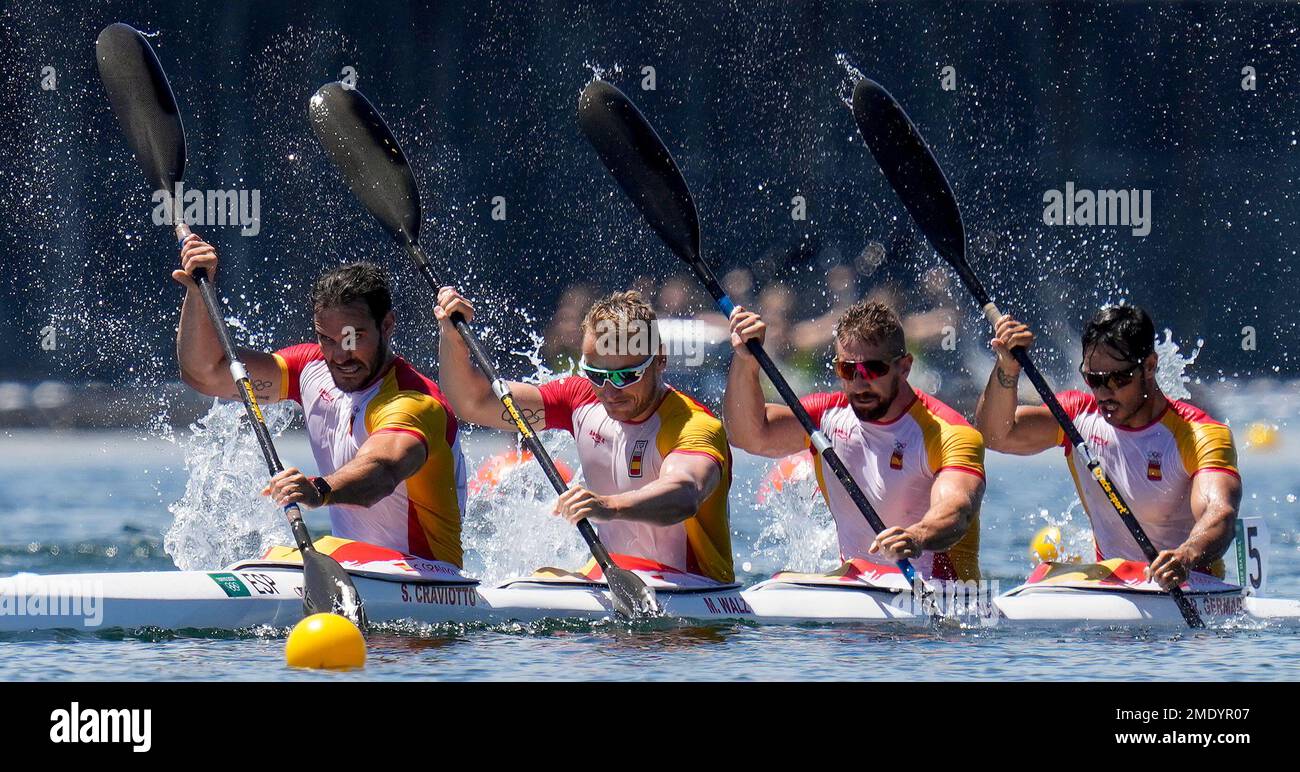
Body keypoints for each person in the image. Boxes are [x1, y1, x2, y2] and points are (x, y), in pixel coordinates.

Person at [174, 233, 467, 565]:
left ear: (386, 325)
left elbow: (381, 471)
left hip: (428, 579)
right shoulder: (310, 369)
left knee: (288, 557)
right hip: (359, 568)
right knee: (277, 556)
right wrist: (199, 290)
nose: (339, 355)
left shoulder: (413, 400)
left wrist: (318, 490)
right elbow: (205, 373)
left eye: (352, 338)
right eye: (326, 339)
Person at [435, 287, 734, 583]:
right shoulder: (579, 399)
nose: (609, 391)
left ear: (660, 360)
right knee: (541, 579)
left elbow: (685, 493)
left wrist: (608, 506)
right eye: (596, 374)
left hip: (692, 587)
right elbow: (472, 403)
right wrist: (451, 336)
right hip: (617, 576)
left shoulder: (694, 426)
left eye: (625, 376)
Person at [974, 305, 1240, 589]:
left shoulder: (1199, 435)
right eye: (1094, 379)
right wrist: (1007, 369)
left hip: (1190, 582)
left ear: (1149, 366)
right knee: (1044, 574)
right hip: (1115, 582)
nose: (1103, 392)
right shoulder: (1075, 418)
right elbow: (995, 435)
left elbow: (1219, 512)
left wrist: (1185, 557)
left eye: (1118, 379)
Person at [725, 299, 986, 580]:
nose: (860, 384)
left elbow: (958, 510)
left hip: (939, 592)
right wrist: (745, 360)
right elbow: (748, 435)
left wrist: (915, 536)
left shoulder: (947, 433)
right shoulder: (825, 417)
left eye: (873, 370)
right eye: (848, 371)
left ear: (904, 367)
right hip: (858, 583)